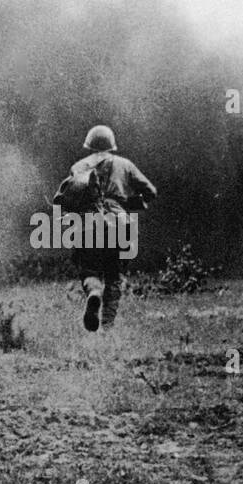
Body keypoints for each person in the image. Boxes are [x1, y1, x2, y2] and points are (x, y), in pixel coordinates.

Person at [53, 124, 156, 331]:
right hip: (119, 222)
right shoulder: (125, 165)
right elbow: (150, 192)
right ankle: (107, 328)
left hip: (88, 223)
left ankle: (94, 293)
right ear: (112, 145)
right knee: (114, 276)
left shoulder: (79, 167)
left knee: (89, 268)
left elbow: (63, 198)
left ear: (89, 144)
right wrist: (131, 202)